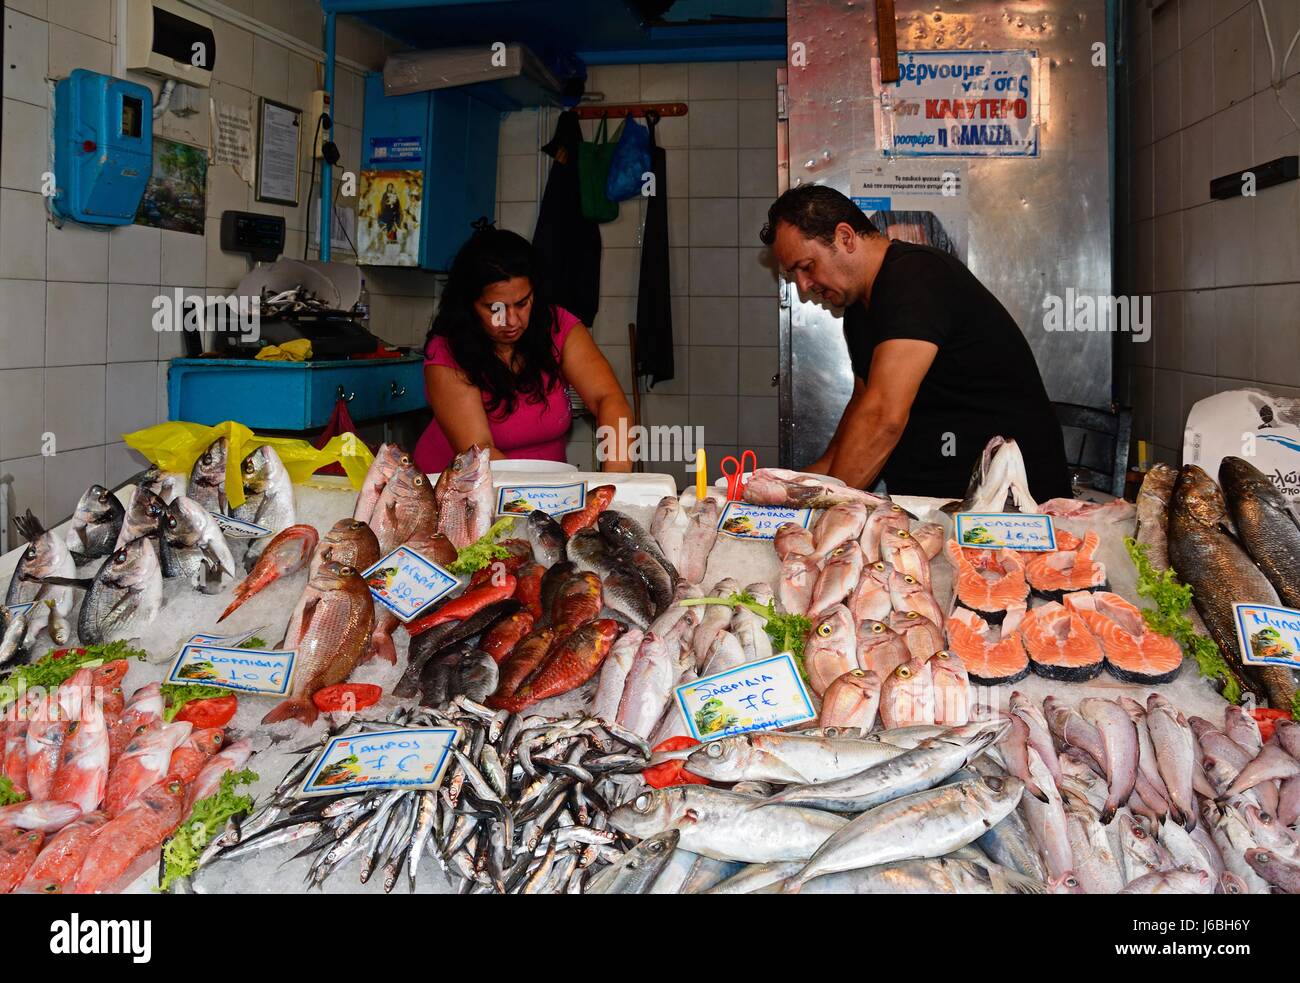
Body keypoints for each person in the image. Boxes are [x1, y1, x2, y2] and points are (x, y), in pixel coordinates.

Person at [760, 184, 1070, 501]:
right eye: (793, 275)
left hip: (1009, 500)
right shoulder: (860, 307)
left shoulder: (916, 278)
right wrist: (797, 494)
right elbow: (862, 413)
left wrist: (826, 508)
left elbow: (884, 417)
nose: (803, 286)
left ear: (845, 237)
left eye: (807, 267)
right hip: (935, 498)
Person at [414, 226, 633, 474]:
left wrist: (617, 480)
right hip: (465, 494)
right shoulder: (447, 350)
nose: (512, 320)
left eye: (522, 303)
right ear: (470, 304)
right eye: (495, 308)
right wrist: (537, 502)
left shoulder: (557, 326)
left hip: (542, 494)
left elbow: (608, 399)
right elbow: (480, 453)